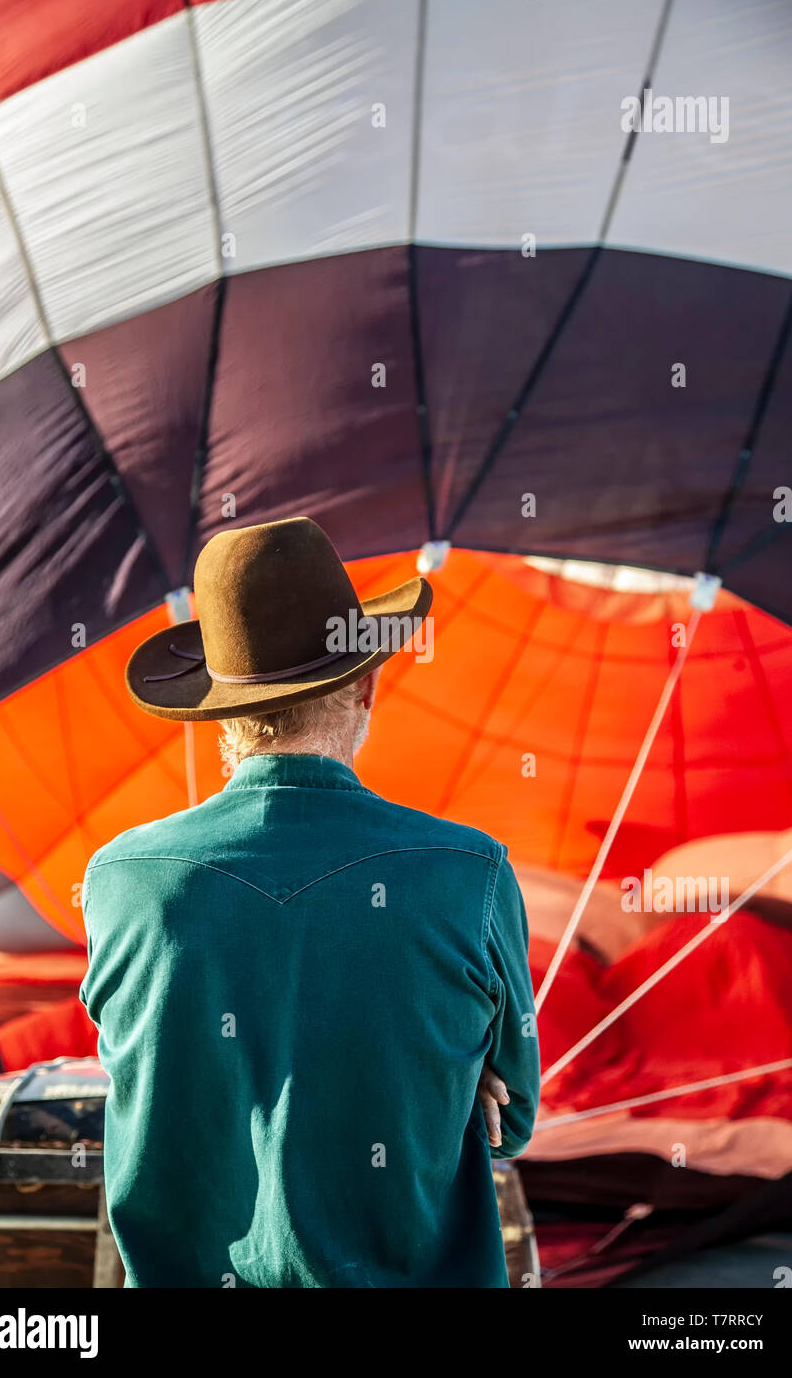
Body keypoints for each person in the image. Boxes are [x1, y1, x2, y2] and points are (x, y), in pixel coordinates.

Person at [79, 516, 540, 1288]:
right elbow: (513, 1122)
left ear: (219, 712)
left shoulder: (119, 879)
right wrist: (451, 1080)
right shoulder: (469, 870)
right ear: (366, 683)